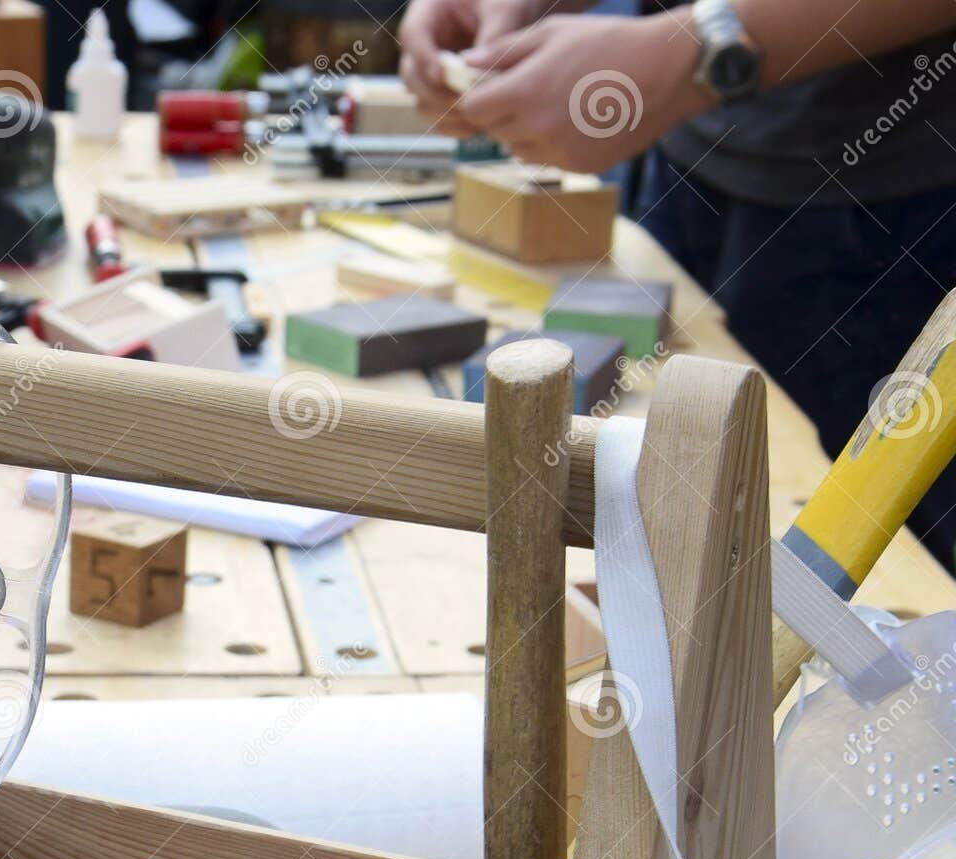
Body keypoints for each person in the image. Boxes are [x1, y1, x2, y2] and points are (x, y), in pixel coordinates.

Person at [400, 0, 956, 566]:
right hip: (692, 153)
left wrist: (698, 49)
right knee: (675, 518)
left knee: (876, 583)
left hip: (888, 208)